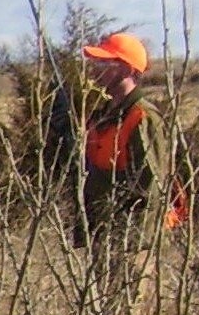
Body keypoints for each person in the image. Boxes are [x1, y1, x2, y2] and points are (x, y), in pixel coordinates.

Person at [73, 32, 172, 255]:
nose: (96, 68)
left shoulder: (142, 117)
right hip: (103, 235)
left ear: (127, 69)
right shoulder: (103, 115)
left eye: (106, 62)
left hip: (131, 242)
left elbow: (149, 186)